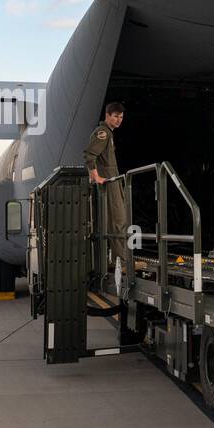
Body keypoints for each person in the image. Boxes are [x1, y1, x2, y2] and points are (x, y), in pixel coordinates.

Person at [84, 102, 129, 293]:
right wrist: (95, 176)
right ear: (108, 115)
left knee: (117, 220)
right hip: (108, 181)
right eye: (115, 116)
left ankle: (118, 258)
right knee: (118, 220)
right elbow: (89, 154)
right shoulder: (102, 132)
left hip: (112, 179)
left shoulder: (109, 133)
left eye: (121, 117)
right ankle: (122, 261)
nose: (118, 120)